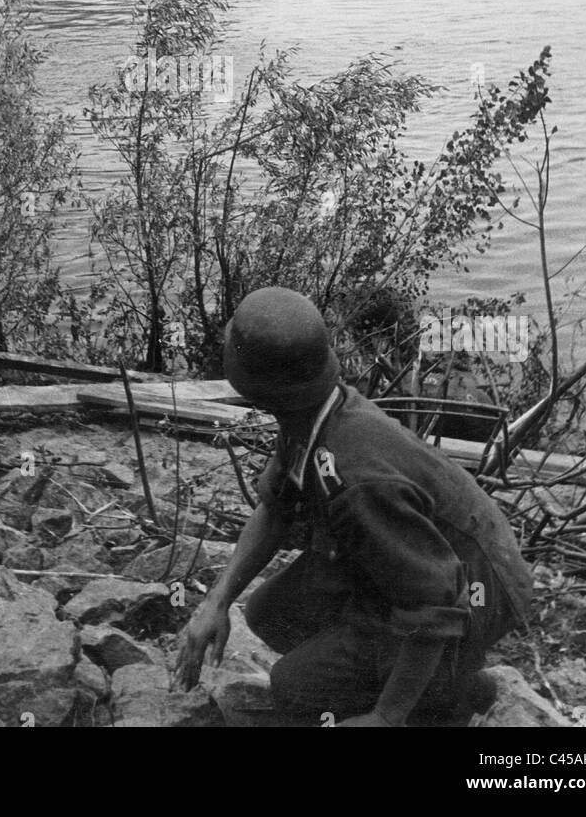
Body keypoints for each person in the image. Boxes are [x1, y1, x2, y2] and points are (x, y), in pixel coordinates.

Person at [173, 286, 533, 727]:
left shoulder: (357, 479)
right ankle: (422, 678)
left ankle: (442, 693)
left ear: (252, 385)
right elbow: (276, 508)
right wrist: (218, 600)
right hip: (436, 567)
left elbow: (437, 603)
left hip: (478, 589)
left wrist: (386, 717)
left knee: (294, 687)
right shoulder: (312, 413)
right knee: (271, 612)